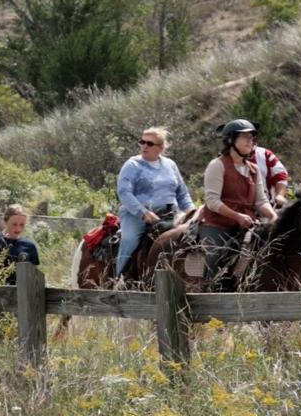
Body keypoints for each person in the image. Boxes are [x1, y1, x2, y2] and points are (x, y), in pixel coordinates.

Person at [196, 118, 277, 290]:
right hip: (217, 225)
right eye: (245, 137)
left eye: (252, 137)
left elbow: (261, 201)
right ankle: (210, 292)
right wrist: (237, 216)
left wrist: (273, 216)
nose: (251, 141)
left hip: (247, 225)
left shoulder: (254, 169)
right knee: (215, 255)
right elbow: (212, 201)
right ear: (231, 140)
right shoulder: (217, 165)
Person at [114, 125, 193, 282]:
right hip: (136, 214)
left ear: (161, 147)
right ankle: (120, 278)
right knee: (129, 239)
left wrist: (192, 211)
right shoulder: (132, 165)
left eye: (149, 143)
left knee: (189, 237)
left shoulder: (170, 165)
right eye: (142, 142)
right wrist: (143, 213)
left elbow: (182, 193)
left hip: (170, 213)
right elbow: (124, 192)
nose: (144, 146)